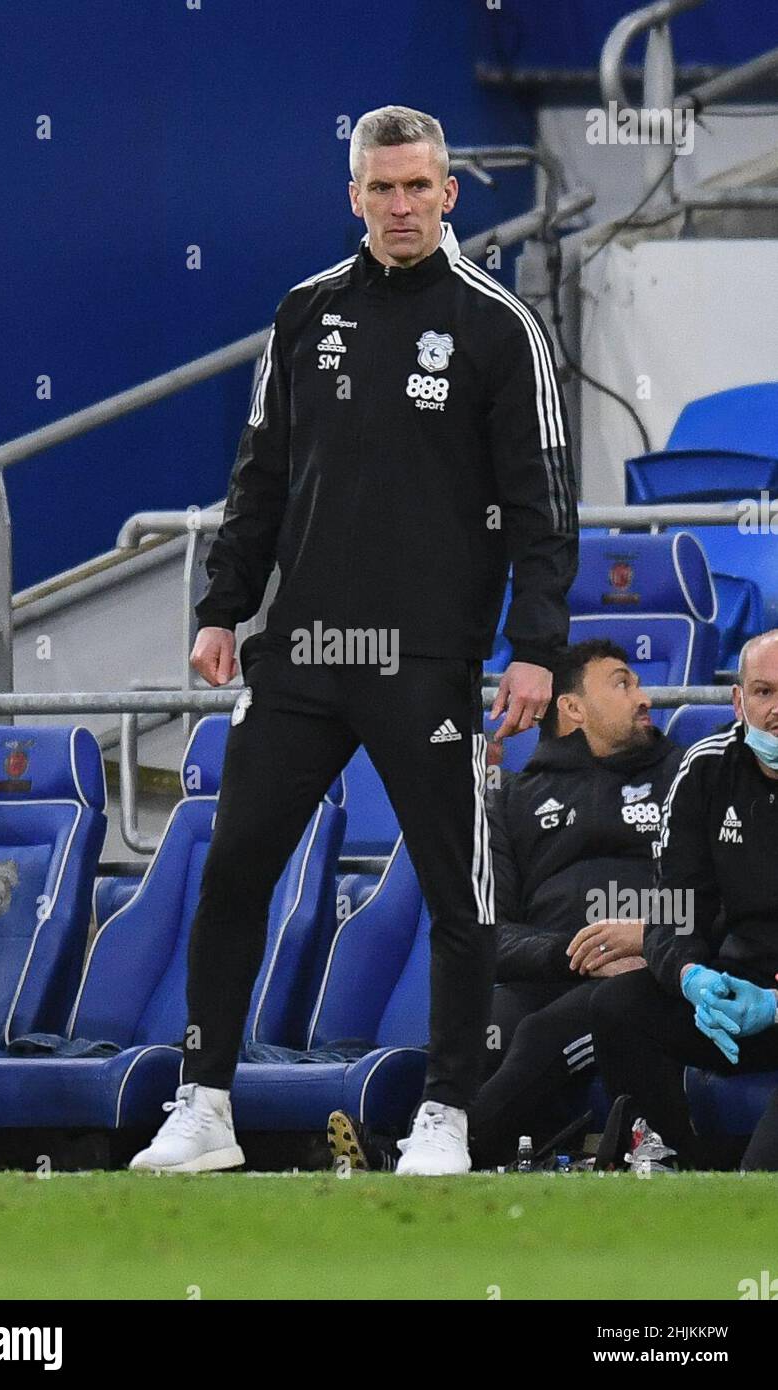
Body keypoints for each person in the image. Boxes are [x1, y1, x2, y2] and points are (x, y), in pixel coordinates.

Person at [130, 104, 577, 1176]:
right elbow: (261, 476)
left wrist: (537, 647)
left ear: (450, 192)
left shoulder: (499, 326)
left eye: (419, 186)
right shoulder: (302, 314)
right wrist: (218, 607)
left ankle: (447, 1116)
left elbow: (542, 506)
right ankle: (204, 1105)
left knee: (455, 890)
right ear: (354, 198)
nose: (401, 205)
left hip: (425, 657)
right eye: (382, 189)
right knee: (233, 869)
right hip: (299, 654)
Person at [328, 640, 682, 1172]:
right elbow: (486, 934)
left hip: (649, 971)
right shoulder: (511, 801)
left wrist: (652, 940)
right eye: (622, 683)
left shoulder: (687, 778)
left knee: (544, 1032)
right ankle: (457, 1155)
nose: (644, 697)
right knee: (484, 1023)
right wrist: (576, 953)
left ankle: (415, 1157)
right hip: (553, 972)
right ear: (572, 708)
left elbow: (714, 894)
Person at [590, 629, 778, 1171]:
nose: (775, 710)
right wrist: (693, 977)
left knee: (762, 1177)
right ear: (738, 701)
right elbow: (674, 909)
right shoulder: (705, 769)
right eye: (763, 692)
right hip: (737, 993)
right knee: (620, 1008)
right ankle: (679, 1169)